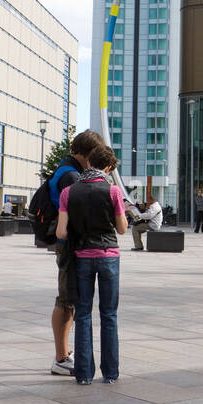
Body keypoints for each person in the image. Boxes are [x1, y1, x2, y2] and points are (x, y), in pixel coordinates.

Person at [64, 143, 129, 385]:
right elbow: (122, 229)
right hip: (108, 255)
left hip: (82, 256)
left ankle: (83, 375)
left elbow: (61, 230)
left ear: (89, 162)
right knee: (109, 315)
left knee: (83, 314)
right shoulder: (112, 191)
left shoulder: (69, 192)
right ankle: (110, 374)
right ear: (108, 166)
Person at [49, 130, 105, 376]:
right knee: (66, 299)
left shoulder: (67, 169)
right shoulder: (71, 176)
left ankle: (63, 354)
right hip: (71, 245)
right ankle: (61, 358)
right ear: (87, 153)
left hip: (72, 243)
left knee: (69, 299)